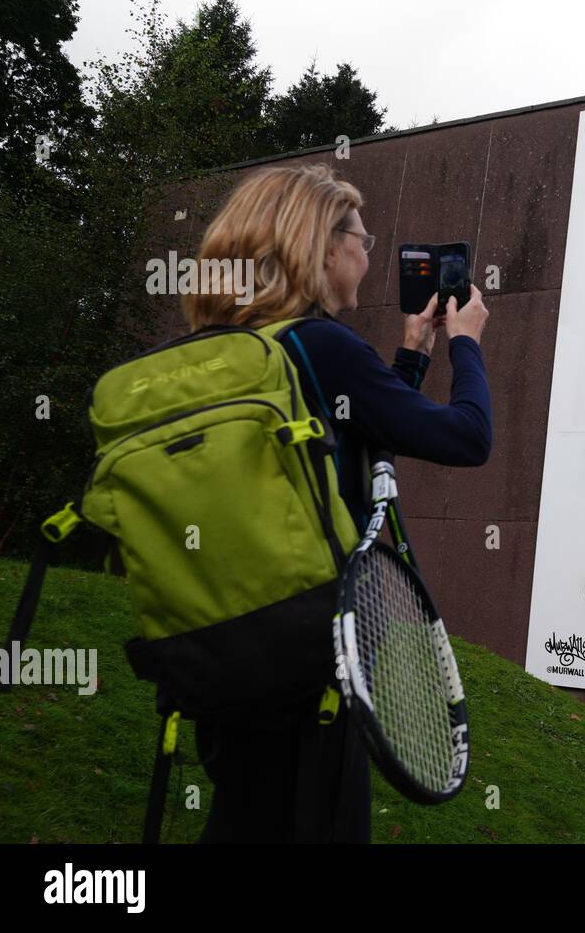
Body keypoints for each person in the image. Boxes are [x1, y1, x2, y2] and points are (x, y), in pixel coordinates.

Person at [180, 162, 492, 841]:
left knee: (245, 819)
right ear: (322, 246)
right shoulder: (322, 343)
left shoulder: (227, 353)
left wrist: (411, 353)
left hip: (219, 652)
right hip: (309, 662)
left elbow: (349, 437)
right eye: (361, 238)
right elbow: (468, 438)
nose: (365, 251)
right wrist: (466, 344)